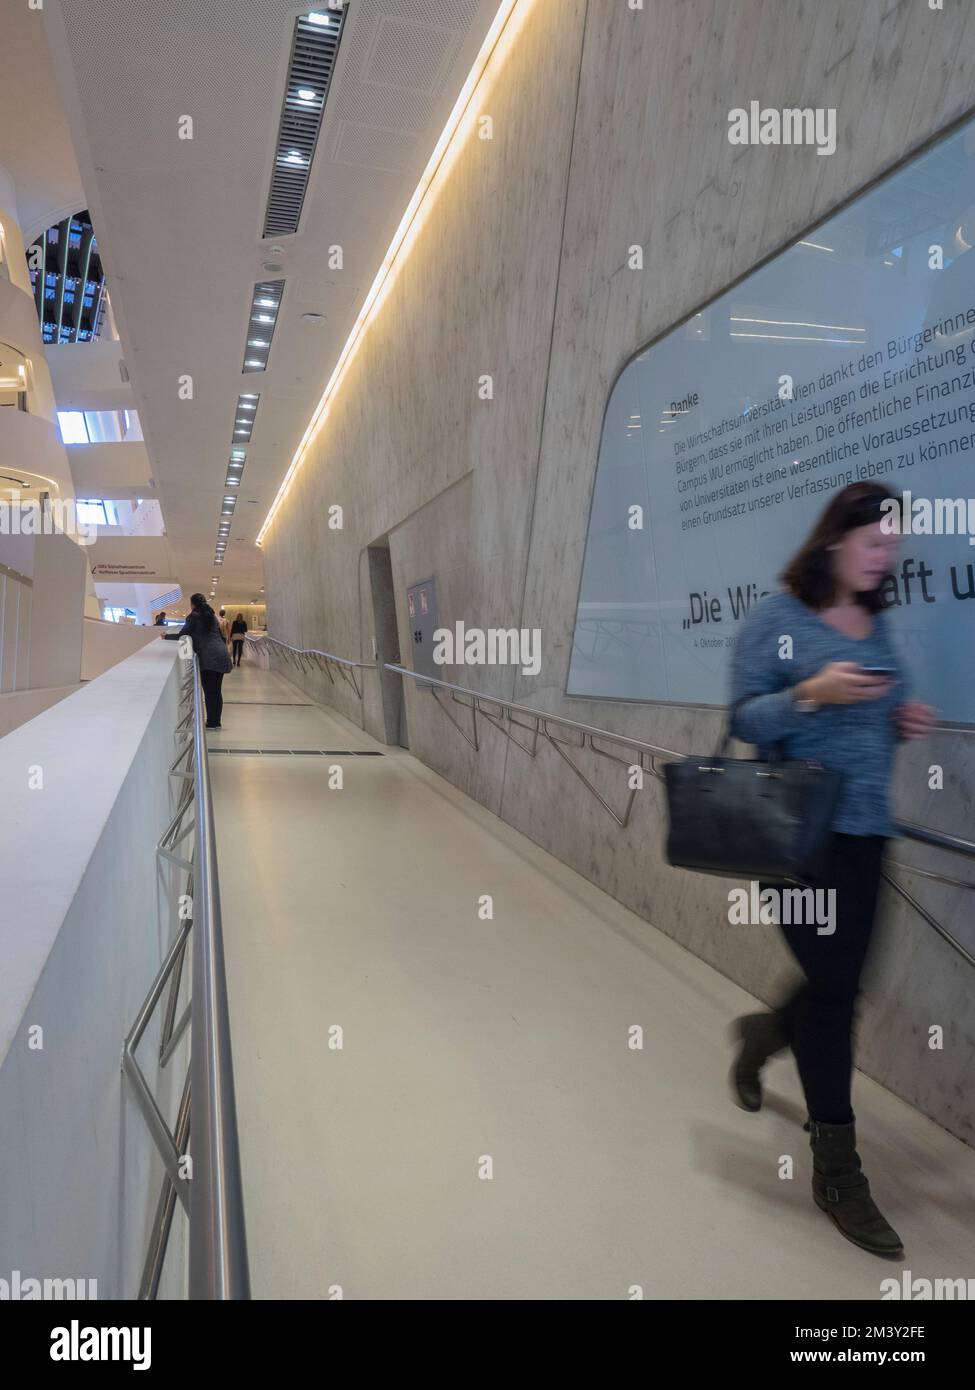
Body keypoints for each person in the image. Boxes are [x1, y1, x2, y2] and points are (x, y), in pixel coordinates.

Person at [727, 481, 935, 1258]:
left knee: (838, 987)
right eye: (875, 545)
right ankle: (837, 1168)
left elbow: (888, 707)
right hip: (797, 839)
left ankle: (760, 1036)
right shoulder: (776, 618)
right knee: (836, 998)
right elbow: (744, 716)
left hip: (864, 835)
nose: (886, 560)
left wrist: (902, 720)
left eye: (893, 548)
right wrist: (808, 693)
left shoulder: (876, 625)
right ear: (833, 541)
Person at [162, 593, 232, 728]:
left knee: (210, 691)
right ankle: (215, 721)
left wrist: (166, 637)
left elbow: (183, 635)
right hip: (221, 653)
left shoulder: (193, 617)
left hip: (208, 656)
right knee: (216, 690)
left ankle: (212, 722)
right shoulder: (211, 616)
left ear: (192, 604)